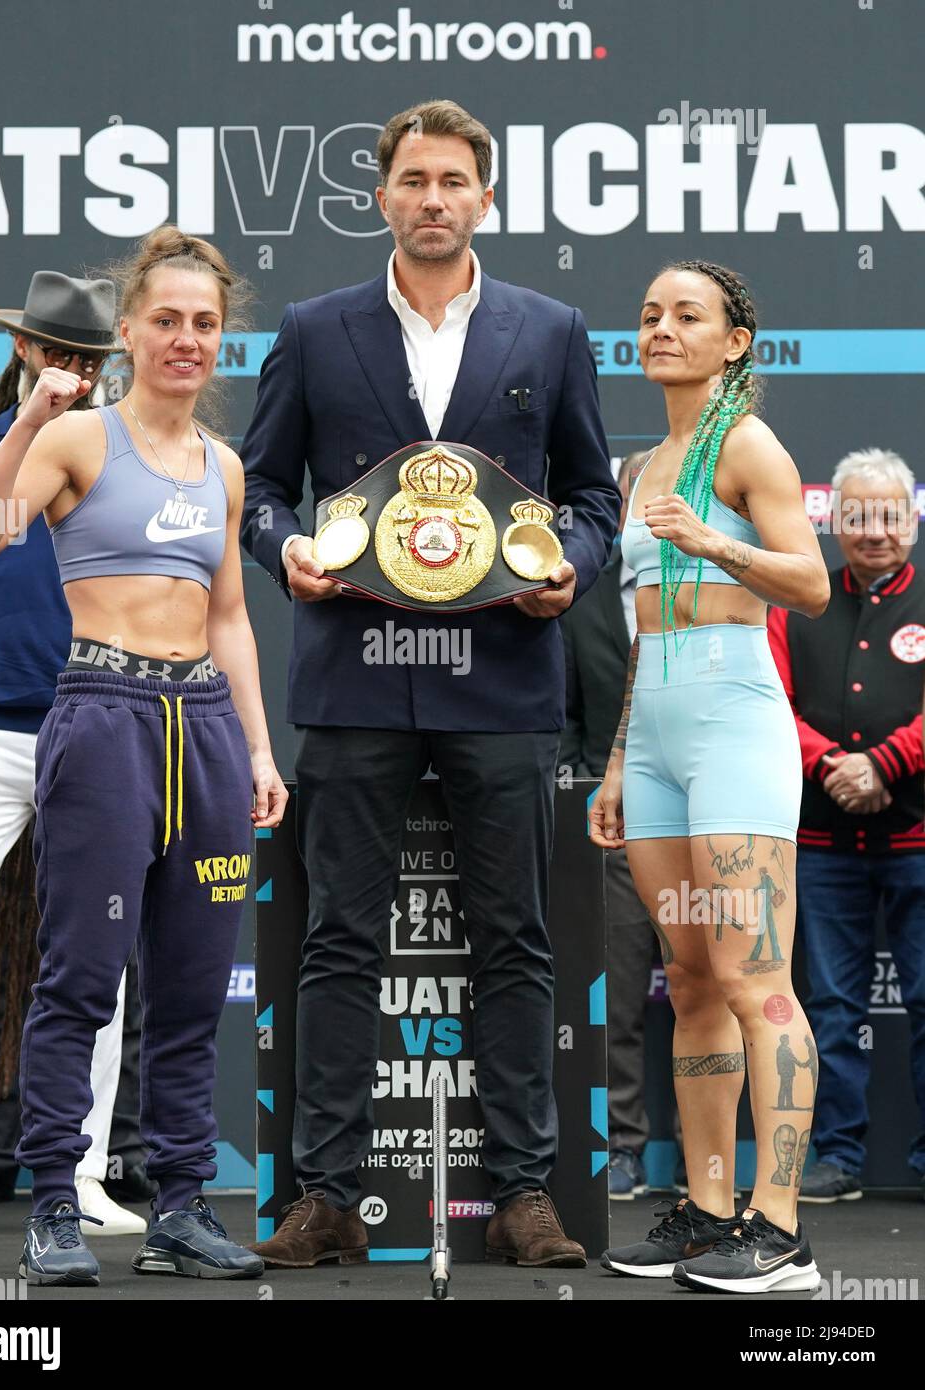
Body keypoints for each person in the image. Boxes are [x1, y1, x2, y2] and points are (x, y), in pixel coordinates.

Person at [241, 99, 619, 1269]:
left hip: (503, 678)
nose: (433, 199)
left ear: (484, 198)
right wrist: (283, 551)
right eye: (412, 180)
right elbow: (257, 489)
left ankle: (522, 1196)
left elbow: (595, 504)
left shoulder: (548, 328)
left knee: (513, 939)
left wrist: (569, 566)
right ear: (381, 197)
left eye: (453, 180)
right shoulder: (315, 328)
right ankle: (324, 1196)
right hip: (353, 679)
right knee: (340, 939)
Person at [0, 226, 288, 1286]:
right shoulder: (79, 436)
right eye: (166, 321)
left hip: (207, 731)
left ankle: (181, 1207)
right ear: (129, 333)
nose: (186, 340)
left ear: (220, 342)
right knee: (81, 978)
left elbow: (230, 615)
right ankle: (54, 1201)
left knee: (188, 989)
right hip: (103, 716)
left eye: (204, 325)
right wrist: (32, 420)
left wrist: (260, 748)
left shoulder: (223, 466)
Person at [589, 260, 830, 1294]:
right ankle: (710, 1206)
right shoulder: (643, 464)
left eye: (686, 315)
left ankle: (779, 1231)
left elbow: (811, 583)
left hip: (734, 723)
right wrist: (614, 759)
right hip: (655, 740)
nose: (661, 329)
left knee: (750, 978)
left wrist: (709, 544)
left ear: (732, 340)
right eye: (647, 314)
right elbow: (643, 635)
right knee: (685, 980)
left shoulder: (745, 441)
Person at [0, 273, 143, 1240]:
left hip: (100, 725)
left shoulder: (132, 458)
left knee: (102, 956)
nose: (74, 373)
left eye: (90, 361)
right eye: (58, 353)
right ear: (23, 351)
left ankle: (77, 1166)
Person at [767, 448, 925, 1202]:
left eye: (889, 514)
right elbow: (771, 700)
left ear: (911, 520)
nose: (874, 531)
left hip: (919, 841)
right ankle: (835, 1157)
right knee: (829, 1009)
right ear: (833, 521)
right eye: (858, 515)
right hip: (824, 842)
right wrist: (833, 762)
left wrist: (885, 763)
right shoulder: (801, 603)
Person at [561, 452, 654, 1199]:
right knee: (618, 995)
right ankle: (621, 1146)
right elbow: (567, 716)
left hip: (708, 807)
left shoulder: (704, 582)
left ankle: (710, 1165)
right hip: (615, 820)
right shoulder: (582, 594)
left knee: (715, 989)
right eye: (638, 495)